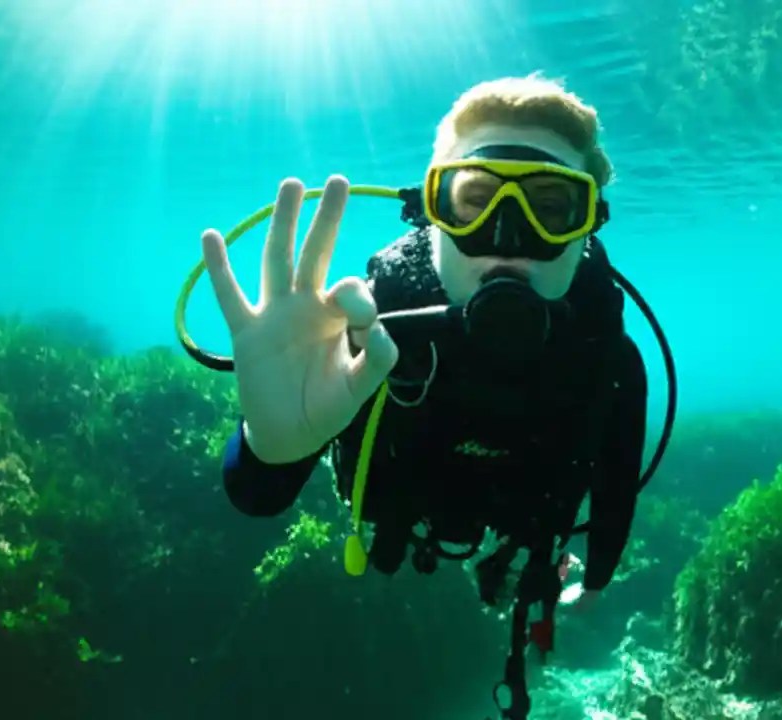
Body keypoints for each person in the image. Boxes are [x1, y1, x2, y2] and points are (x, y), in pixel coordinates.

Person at [198, 75, 665, 719]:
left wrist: (595, 582)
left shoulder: (606, 356)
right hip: (399, 526)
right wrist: (269, 448)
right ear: (431, 213)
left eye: (551, 207)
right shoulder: (366, 324)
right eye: (473, 201)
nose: (507, 238)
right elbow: (256, 495)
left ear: (589, 226)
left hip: (523, 535)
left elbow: (614, 491)